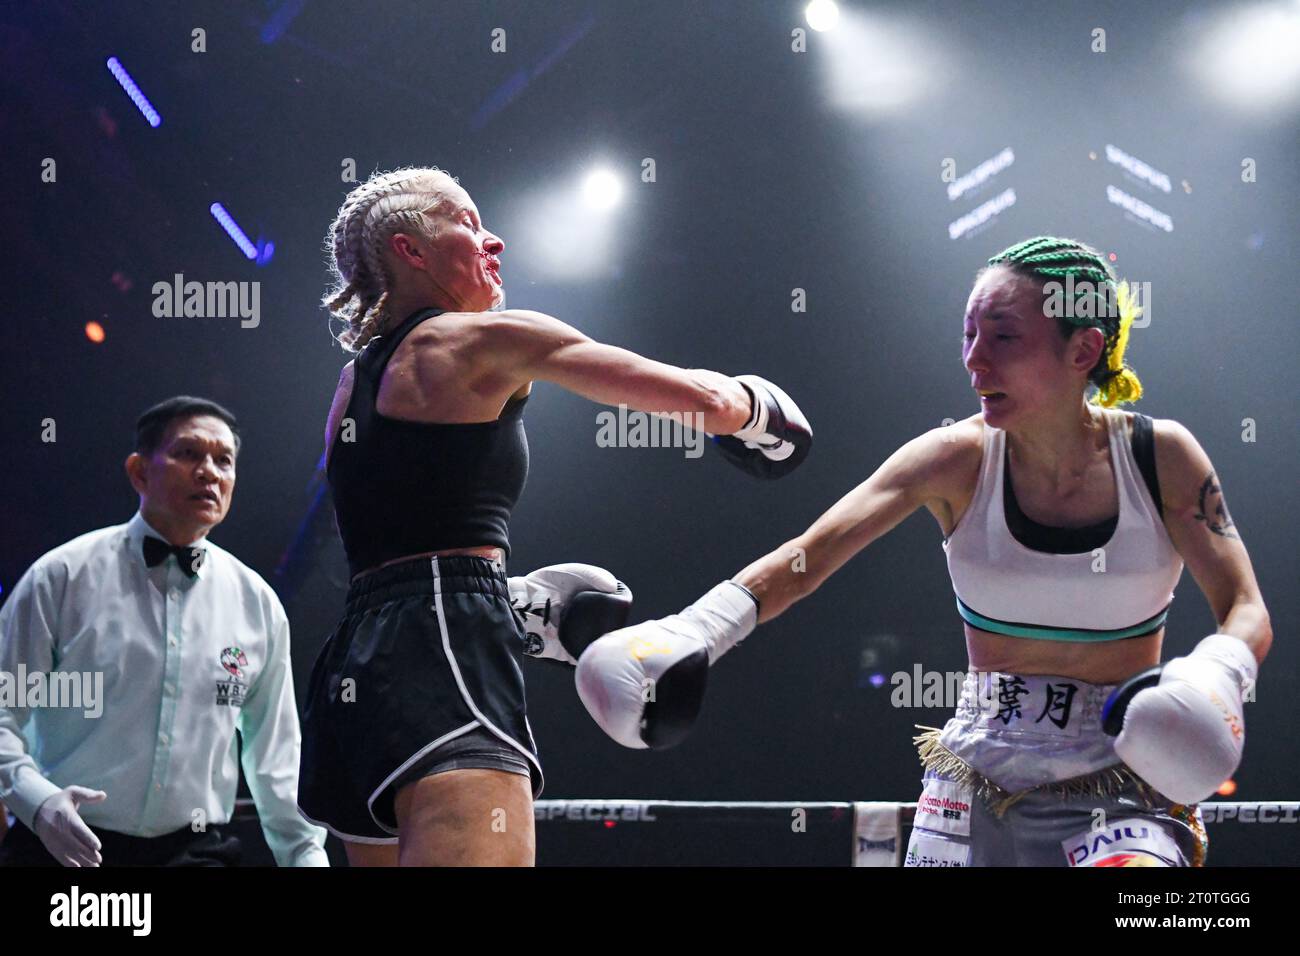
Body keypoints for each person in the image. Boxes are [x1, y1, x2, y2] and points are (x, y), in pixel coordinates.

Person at [577, 236, 1273, 867]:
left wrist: (1216, 675)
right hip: (976, 774)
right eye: (968, 333)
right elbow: (807, 558)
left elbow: (1245, 607)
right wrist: (695, 628)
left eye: (1003, 336)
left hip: (1120, 778)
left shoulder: (1160, 457)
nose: (975, 359)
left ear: (1083, 350)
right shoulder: (953, 459)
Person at [296, 166, 812, 867]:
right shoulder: (485, 340)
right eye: (468, 223)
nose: (494, 240)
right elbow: (690, 397)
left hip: (352, 666)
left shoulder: (351, 382)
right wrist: (754, 409)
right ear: (409, 248)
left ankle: (517, 604)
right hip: (449, 647)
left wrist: (502, 600)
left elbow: (398, 546)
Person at [0, 397, 328, 866]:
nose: (209, 472)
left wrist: (306, 858)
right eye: (189, 453)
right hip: (60, 844)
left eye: (224, 460)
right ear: (139, 472)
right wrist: (38, 801)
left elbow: (276, 759)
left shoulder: (257, 604)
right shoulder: (62, 577)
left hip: (194, 851)